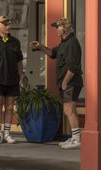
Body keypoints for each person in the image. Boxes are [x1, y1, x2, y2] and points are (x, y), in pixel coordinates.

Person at [30, 18, 83, 149]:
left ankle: (76, 140)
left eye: (58, 27)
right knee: (71, 110)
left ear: (64, 29)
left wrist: (65, 82)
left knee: (68, 109)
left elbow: (73, 67)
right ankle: (76, 138)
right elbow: (53, 53)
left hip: (71, 83)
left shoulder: (72, 43)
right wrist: (40, 47)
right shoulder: (64, 43)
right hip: (66, 83)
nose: (56, 30)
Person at [0, 15, 24, 144]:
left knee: (9, 107)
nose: (8, 27)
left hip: (13, 79)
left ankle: (7, 134)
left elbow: (19, 60)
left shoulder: (15, 42)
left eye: (9, 24)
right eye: (5, 24)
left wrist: (20, 75)